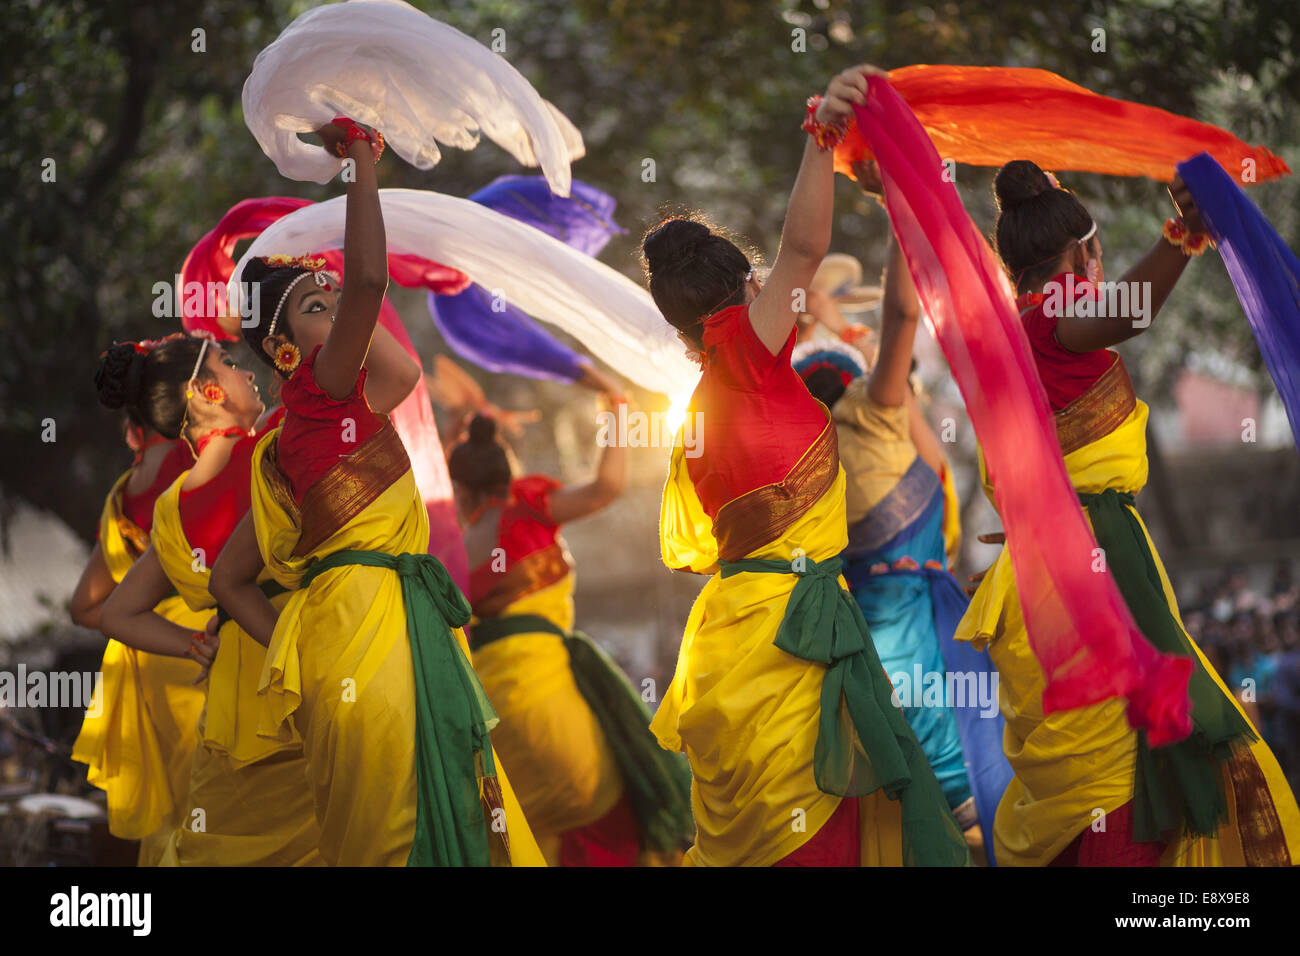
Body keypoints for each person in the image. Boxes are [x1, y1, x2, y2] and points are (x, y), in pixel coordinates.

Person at [643, 66, 970, 866]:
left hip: (736, 641)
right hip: (788, 641)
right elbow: (806, 245)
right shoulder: (749, 358)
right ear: (748, 292)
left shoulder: (699, 411)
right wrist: (822, 134)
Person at [214, 117, 545, 866]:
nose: (339, 310)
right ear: (283, 348)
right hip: (370, 636)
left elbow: (229, 582)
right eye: (314, 307)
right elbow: (372, 282)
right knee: (406, 832)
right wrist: (362, 163)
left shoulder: (302, 427)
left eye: (333, 301)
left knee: (400, 829)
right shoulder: (322, 395)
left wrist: (292, 655)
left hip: (354, 645)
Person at [957, 159, 1300, 866]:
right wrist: (1179, 239)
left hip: (1047, 577)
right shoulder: (1051, 321)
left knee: (1118, 763)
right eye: (1099, 255)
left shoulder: (1002, 336)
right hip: (1088, 581)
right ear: (1085, 252)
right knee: (1133, 766)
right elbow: (1129, 313)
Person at [793, 164, 1013, 860]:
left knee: (924, 791)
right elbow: (901, 317)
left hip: (860, 635)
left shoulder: (806, 457)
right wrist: (897, 207)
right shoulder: (880, 416)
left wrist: (829, 327)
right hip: (928, 619)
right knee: (981, 775)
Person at [96, 332, 324, 866]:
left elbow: (116, 613)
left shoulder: (173, 509)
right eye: (229, 365)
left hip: (237, 697)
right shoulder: (276, 446)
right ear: (205, 392)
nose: (246, 374)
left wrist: (197, 645)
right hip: (310, 660)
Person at [449, 411, 693, 866]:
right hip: (553, 706)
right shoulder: (527, 509)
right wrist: (618, 409)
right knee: (610, 821)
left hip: (495, 721)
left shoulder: (456, 546)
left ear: (462, 490)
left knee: (524, 842)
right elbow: (608, 487)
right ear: (509, 471)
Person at [70, 381, 206, 865]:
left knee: (177, 809)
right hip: (200, 650)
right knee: (218, 801)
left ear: (133, 432)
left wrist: (134, 633)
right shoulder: (200, 465)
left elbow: (84, 608)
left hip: (152, 657)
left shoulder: (124, 491)